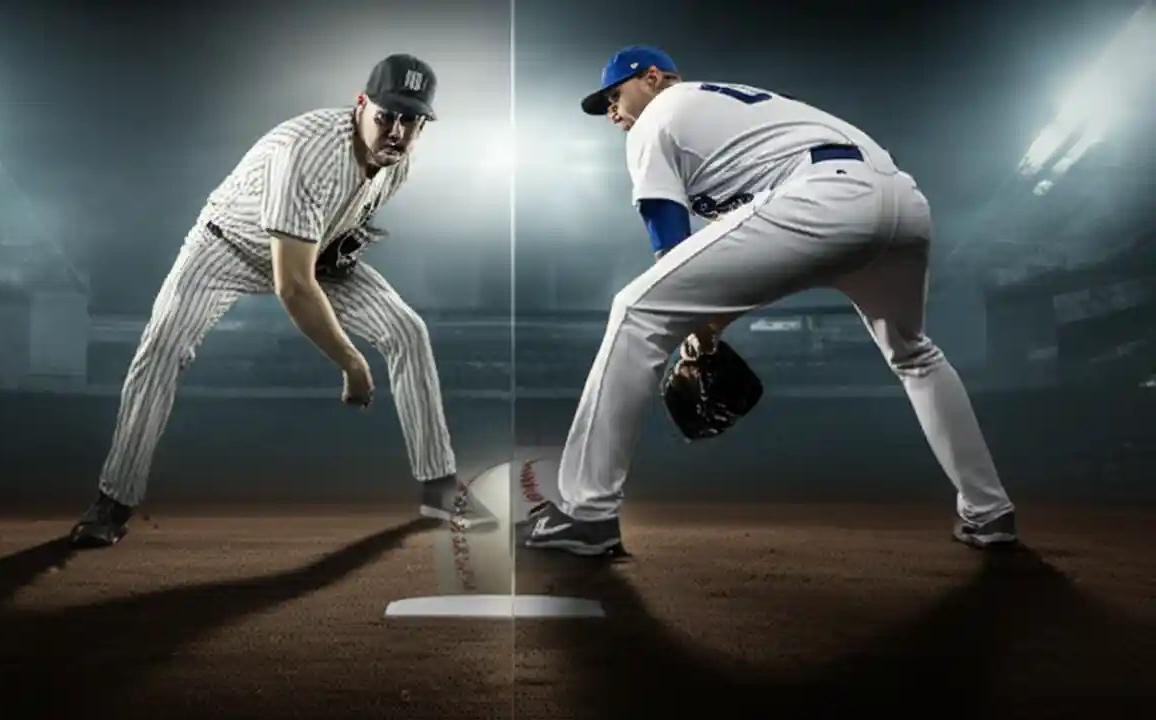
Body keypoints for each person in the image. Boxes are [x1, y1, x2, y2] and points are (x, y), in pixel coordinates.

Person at [524, 45, 1017, 556]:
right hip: (902, 201)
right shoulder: (729, 115)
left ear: (652, 78)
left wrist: (695, 334)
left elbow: (671, 249)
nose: (611, 111)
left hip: (823, 197)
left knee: (635, 311)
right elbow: (737, 261)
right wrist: (704, 334)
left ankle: (587, 514)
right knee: (914, 354)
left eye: (614, 94)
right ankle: (990, 512)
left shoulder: (658, 117)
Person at [70, 53, 493, 549]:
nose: (398, 131)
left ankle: (440, 489)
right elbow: (291, 287)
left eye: (412, 120)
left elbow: (332, 234)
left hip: (309, 253)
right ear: (361, 105)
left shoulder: (398, 162)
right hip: (224, 247)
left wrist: (344, 243)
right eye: (387, 116)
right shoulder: (307, 154)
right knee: (162, 348)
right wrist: (352, 363)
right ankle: (112, 501)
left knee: (407, 331)